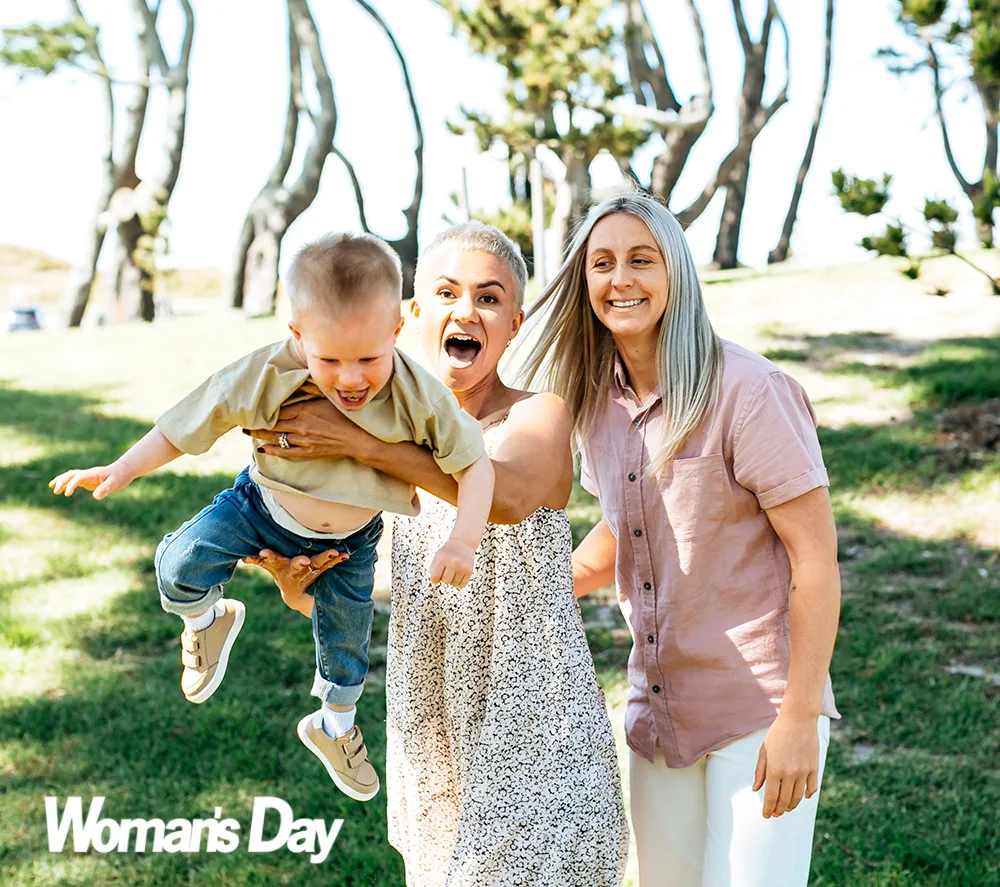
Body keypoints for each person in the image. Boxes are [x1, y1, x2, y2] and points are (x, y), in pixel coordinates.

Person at [48, 232, 494, 803]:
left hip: (351, 543)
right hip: (260, 507)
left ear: (396, 333)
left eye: (369, 358)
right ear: (298, 336)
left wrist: (462, 541)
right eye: (329, 359)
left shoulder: (416, 391)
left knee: (347, 642)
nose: (351, 378)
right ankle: (205, 620)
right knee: (179, 561)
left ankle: (335, 728)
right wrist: (124, 468)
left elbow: (476, 466)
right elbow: (192, 419)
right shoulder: (267, 372)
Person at [248, 222, 629, 886]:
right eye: (447, 293)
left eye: (489, 297)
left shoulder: (539, 414)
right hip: (438, 735)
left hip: (537, 727)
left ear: (513, 321)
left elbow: (504, 493)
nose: (467, 310)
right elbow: (391, 591)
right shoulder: (395, 446)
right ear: (412, 318)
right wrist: (300, 586)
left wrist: (362, 445)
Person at [518, 191, 842, 887]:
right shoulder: (592, 401)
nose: (620, 279)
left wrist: (799, 718)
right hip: (657, 711)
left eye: (642, 259)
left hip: (759, 707)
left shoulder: (748, 391)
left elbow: (815, 564)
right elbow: (628, 519)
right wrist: (544, 582)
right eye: (601, 263)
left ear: (677, 273)